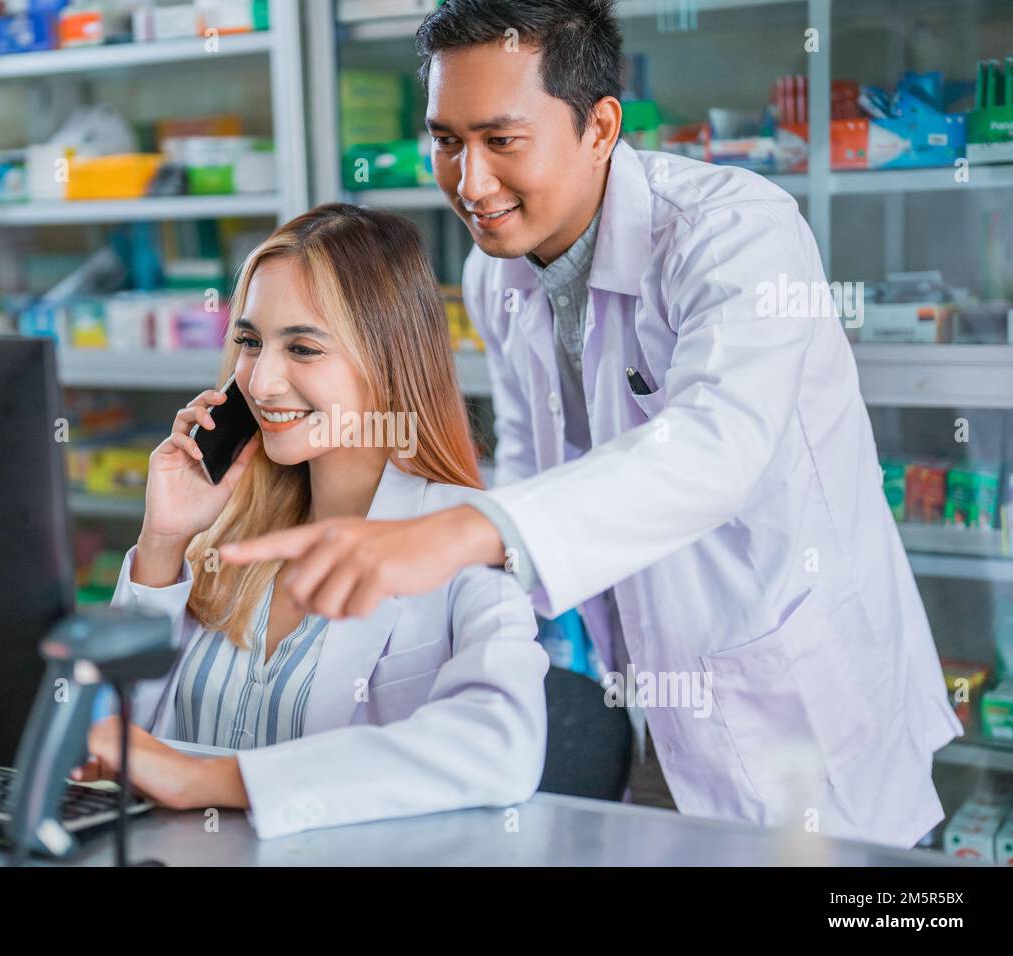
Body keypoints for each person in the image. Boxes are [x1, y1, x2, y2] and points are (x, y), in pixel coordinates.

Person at [223, 0, 961, 848]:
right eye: (446, 140)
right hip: (652, 701)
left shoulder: (731, 232)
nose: (469, 182)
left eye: (501, 140)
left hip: (805, 707)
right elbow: (532, 471)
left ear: (601, 125)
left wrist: (467, 532)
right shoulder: (496, 273)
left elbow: (716, 451)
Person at [75, 203, 549, 840]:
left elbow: (502, 746)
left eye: (302, 347)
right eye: (249, 342)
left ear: (389, 360)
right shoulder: (226, 534)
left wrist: (212, 783)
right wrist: (164, 540)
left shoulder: (460, 537)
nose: (261, 381)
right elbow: (105, 739)